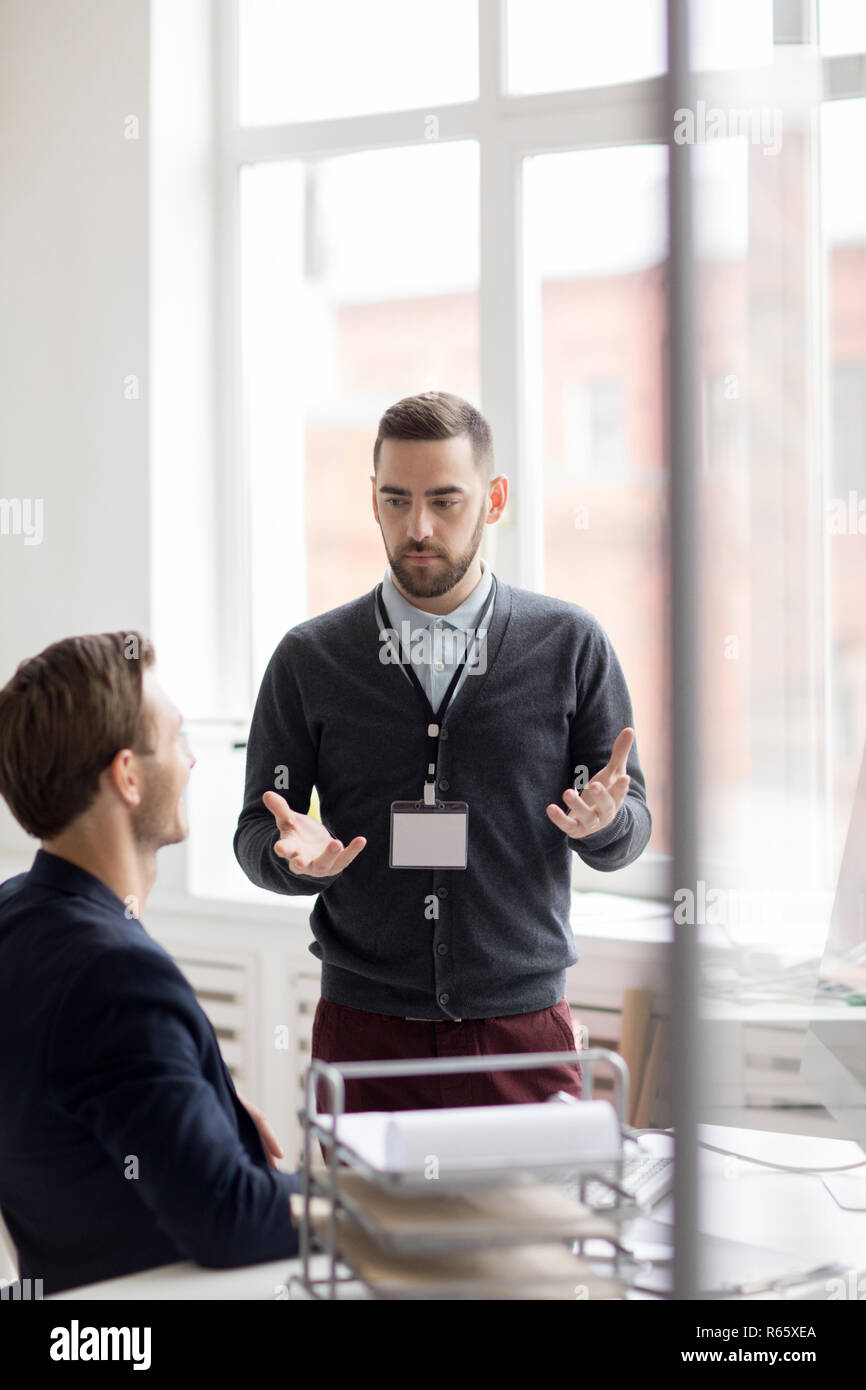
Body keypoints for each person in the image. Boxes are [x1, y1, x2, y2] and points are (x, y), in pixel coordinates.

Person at [234, 391, 652, 1114]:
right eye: (395, 501)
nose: (417, 527)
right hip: (364, 1037)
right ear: (371, 500)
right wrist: (286, 857)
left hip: (521, 1033)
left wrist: (606, 827)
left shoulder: (570, 645)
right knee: (359, 1231)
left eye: (445, 501)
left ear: (494, 499)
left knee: (534, 1230)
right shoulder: (310, 659)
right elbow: (255, 833)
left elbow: (630, 826)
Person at [0, 633, 301, 1296]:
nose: (193, 762)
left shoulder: (16, 916)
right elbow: (230, 1218)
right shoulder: (116, 978)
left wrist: (196, 1100)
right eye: (177, 739)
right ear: (128, 776)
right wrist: (368, 1195)